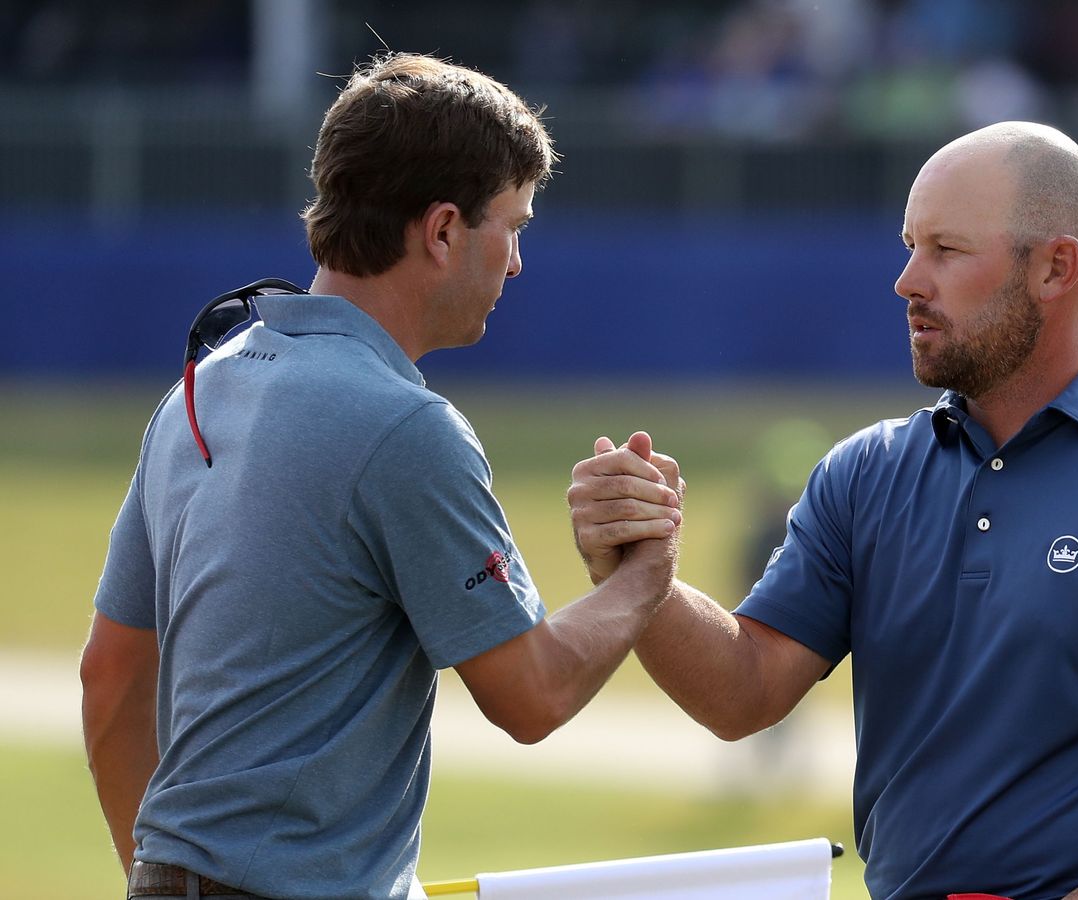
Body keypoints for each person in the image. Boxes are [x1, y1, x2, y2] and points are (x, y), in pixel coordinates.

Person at [568, 121, 1078, 900]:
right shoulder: (862, 473)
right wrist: (648, 583)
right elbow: (745, 692)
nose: (908, 280)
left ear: (1054, 268)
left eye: (945, 250)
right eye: (910, 245)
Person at [79, 53, 680, 900]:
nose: (515, 264)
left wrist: (165, 878)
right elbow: (533, 695)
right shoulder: (406, 427)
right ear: (441, 231)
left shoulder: (196, 391)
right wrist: (646, 574)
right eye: (513, 226)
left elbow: (109, 678)